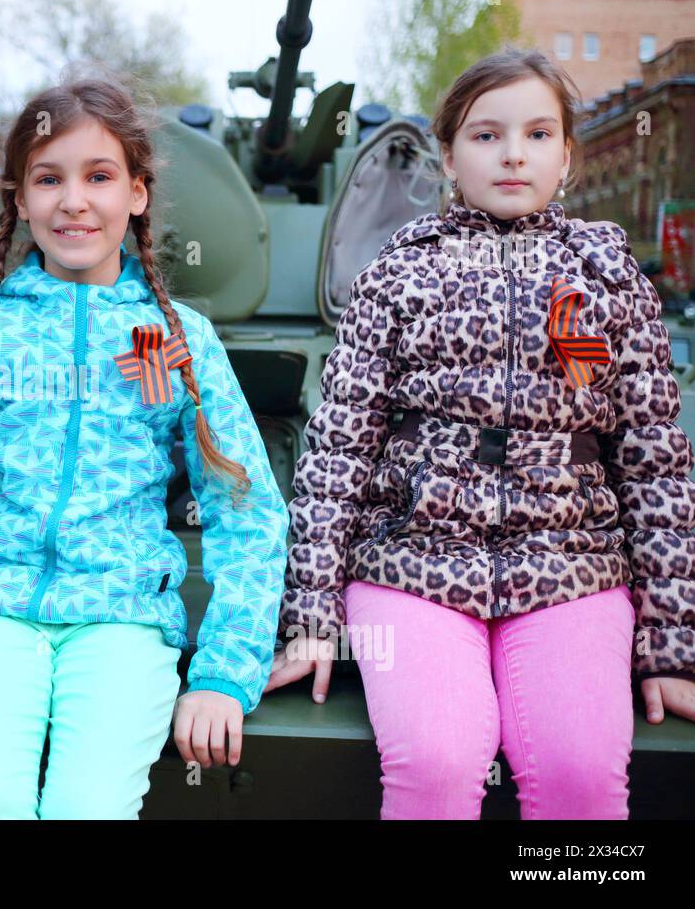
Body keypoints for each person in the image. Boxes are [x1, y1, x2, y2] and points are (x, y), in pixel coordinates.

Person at [270, 47, 695, 820]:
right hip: (411, 563)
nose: (511, 154)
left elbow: (654, 462)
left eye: (537, 134)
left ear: (567, 155)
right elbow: (336, 455)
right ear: (447, 154)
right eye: (485, 134)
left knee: (580, 776)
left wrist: (671, 644)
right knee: (435, 763)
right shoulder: (399, 272)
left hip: (573, 567)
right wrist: (312, 620)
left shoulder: (605, 274)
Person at [0, 77, 290, 818]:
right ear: (18, 200)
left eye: (99, 176)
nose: (73, 201)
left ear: (138, 194)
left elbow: (244, 507)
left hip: (121, 619)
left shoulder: (180, 338)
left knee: (89, 808)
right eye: (48, 179)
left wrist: (221, 673)